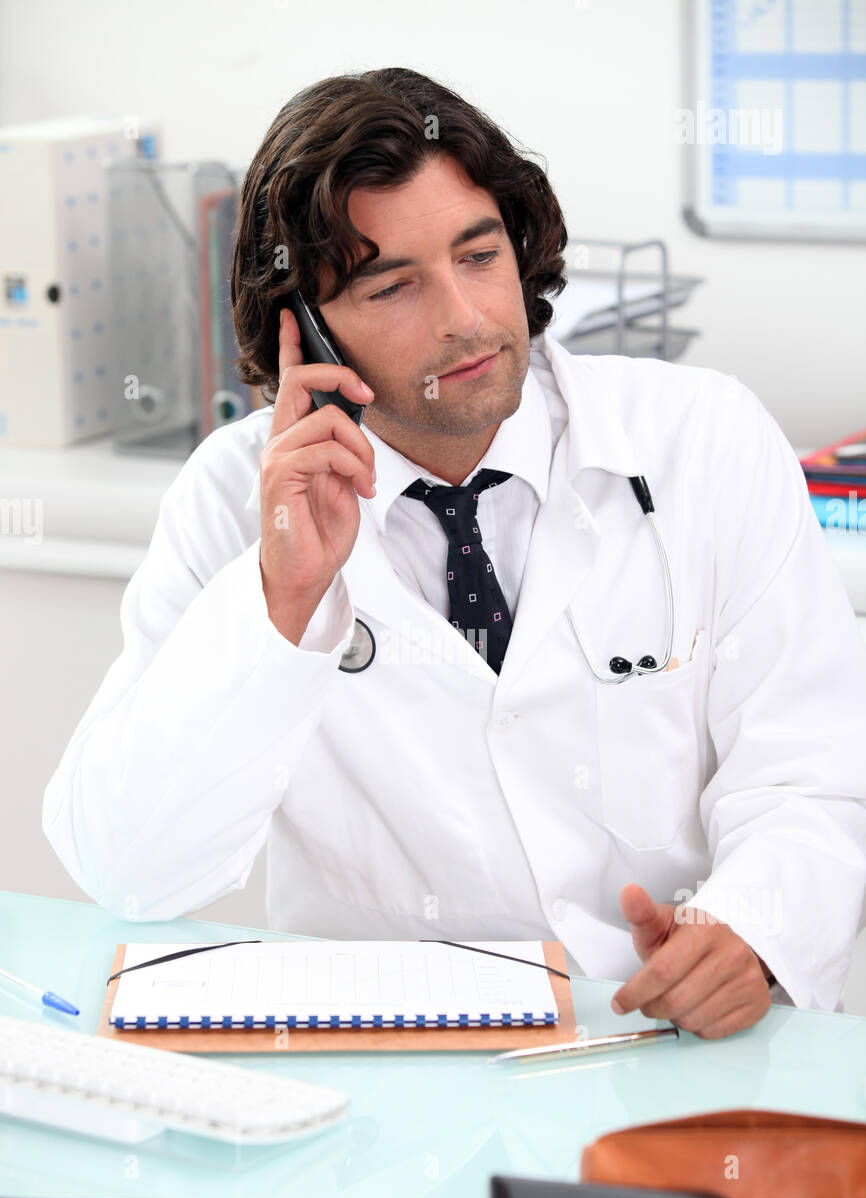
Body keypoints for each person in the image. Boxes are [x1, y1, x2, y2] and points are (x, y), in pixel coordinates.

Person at [43, 68, 866, 1037]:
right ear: (303, 329)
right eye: (391, 285)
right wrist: (280, 598)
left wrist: (749, 934)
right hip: (392, 1066)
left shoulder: (700, 437)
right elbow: (132, 869)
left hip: (674, 1040)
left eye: (478, 257)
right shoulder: (236, 496)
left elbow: (811, 768)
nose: (463, 318)